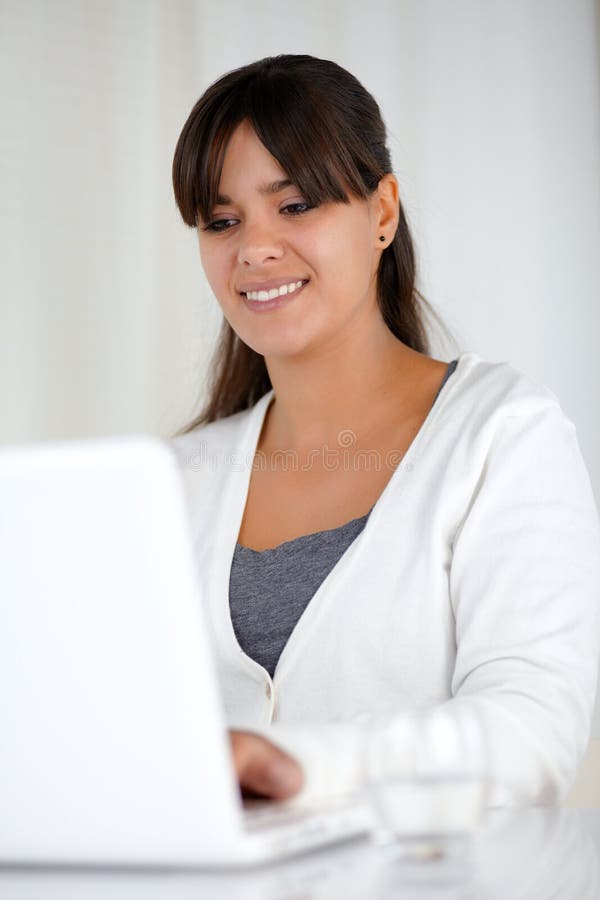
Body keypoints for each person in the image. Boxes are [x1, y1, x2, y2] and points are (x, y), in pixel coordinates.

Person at [170, 54, 600, 807]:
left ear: (382, 213)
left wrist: (294, 764)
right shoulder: (173, 480)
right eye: (223, 221)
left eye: (296, 204)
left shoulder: (501, 435)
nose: (254, 248)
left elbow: (536, 733)